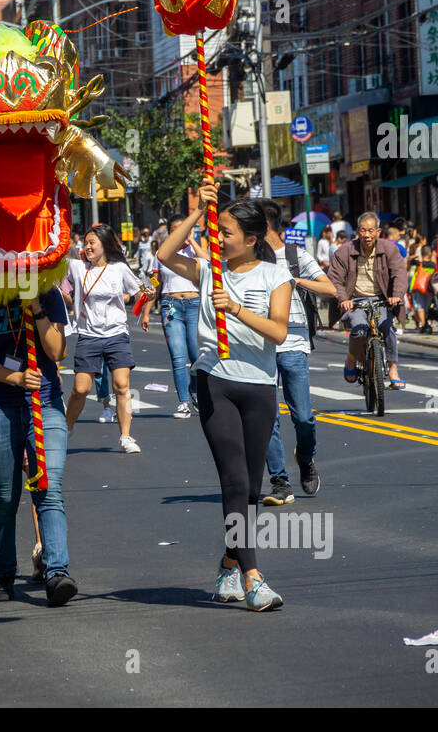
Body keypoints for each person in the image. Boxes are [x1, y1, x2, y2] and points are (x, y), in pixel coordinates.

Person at [157, 188, 292, 611]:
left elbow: (279, 333)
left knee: (251, 489)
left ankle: (230, 562)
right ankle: (253, 577)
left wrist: (234, 308)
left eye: (226, 232)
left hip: (259, 387)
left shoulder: (275, 277)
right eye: (216, 230)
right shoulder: (208, 270)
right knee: (233, 482)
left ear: (252, 238)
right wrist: (197, 209)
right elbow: (164, 253)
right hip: (216, 381)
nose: (218, 237)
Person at [0, 267, 74, 605]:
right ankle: (2, 575)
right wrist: (13, 378)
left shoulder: (49, 293)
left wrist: (36, 306)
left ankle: (57, 572)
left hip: (46, 403)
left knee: (49, 488)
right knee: (5, 496)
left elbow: (57, 352)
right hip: (0, 404)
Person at [258, 200, 334, 505]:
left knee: (303, 416)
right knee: (267, 418)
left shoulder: (295, 256)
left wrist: (295, 280)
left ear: (266, 226)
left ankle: (305, 458)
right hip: (260, 342)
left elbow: (329, 288)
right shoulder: (249, 260)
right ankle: (279, 481)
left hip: (293, 339)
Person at [63, 224, 143, 453]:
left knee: (121, 385)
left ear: (104, 245)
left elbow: (140, 291)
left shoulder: (118, 268)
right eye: (85, 243)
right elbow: (54, 269)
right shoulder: (77, 267)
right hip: (88, 336)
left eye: (91, 243)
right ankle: (67, 428)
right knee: (80, 389)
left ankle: (126, 437)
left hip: (117, 334)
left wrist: (145, 303)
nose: (87, 247)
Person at [328, 212, 407, 389]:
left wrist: (396, 294)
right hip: (355, 301)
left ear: (378, 231)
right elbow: (334, 279)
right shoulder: (344, 252)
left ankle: (393, 369)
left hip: (381, 300)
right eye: (363, 230)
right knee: (359, 331)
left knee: (388, 329)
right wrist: (343, 299)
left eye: (371, 230)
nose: (367, 235)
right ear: (357, 231)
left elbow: (399, 274)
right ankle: (351, 359)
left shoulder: (389, 249)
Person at [140, 213, 202, 418]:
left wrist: (192, 239)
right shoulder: (162, 254)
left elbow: (210, 266)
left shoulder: (195, 249)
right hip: (170, 305)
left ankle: (195, 390)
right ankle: (183, 402)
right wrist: (147, 311)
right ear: (168, 231)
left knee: (196, 356)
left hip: (194, 304)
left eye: (182, 228)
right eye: (174, 230)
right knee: (178, 357)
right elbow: (154, 283)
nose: (179, 233)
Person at [409, 246, 436, 333]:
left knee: (420, 306)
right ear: (429, 254)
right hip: (428, 288)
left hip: (418, 287)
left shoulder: (418, 263)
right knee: (428, 306)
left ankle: (424, 325)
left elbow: (410, 261)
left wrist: (416, 257)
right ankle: (428, 323)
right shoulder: (432, 265)